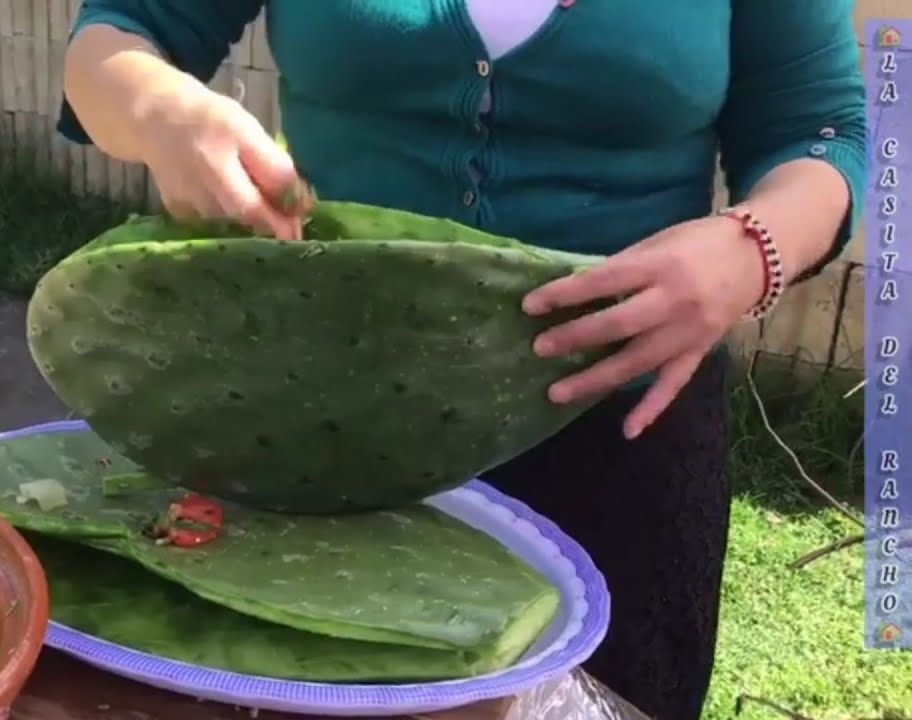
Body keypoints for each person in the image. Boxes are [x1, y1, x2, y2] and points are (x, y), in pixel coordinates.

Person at [56, 2, 867, 718]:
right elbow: (117, 38)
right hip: (308, 419)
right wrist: (160, 108)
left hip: (618, 428)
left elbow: (822, 133)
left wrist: (753, 249)